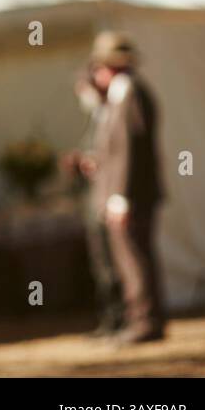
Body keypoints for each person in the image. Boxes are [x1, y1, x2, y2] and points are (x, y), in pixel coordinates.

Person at [86, 31, 166, 343]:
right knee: (129, 260)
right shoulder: (119, 94)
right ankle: (139, 319)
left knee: (135, 260)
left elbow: (132, 148)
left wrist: (121, 196)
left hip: (132, 195)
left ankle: (146, 322)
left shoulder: (131, 92)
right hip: (125, 194)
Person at [68, 65, 125, 337]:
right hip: (96, 197)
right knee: (101, 262)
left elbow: (116, 155)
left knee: (113, 262)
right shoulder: (96, 116)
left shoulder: (113, 110)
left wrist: (94, 162)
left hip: (106, 196)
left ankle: (121, 317)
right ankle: (110, 318)